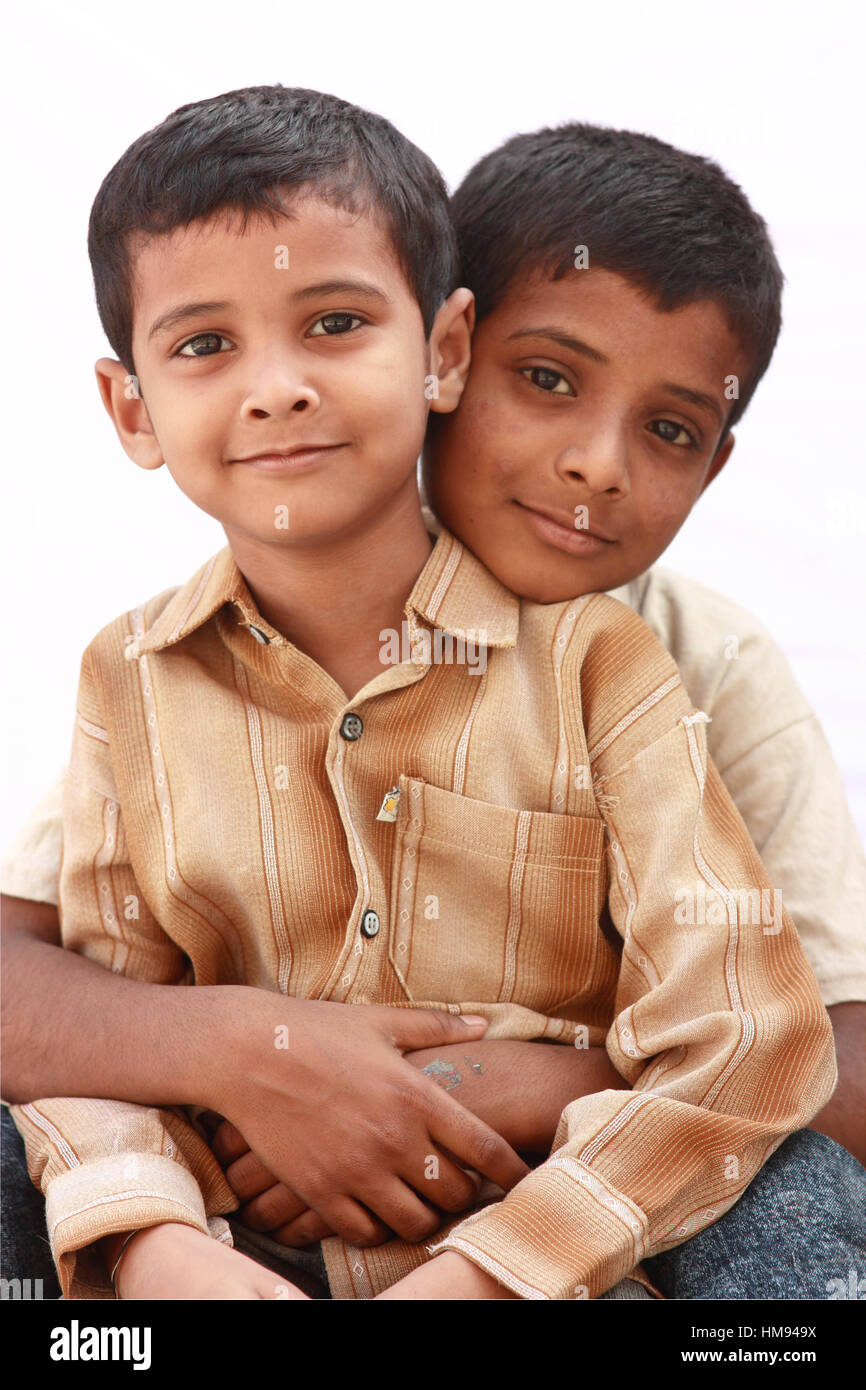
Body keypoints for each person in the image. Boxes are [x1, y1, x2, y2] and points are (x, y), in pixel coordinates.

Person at [0, 88, 850, 1302]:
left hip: (557, 1201)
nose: (592, 466)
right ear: (456, 352)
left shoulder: (643, 664)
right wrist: (224, 1117)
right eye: (546, 378)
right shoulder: (146, 674)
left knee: (797, 1191)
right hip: (236, 1204)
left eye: (664, 428)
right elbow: (55, 983)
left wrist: (492, 1101)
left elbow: (786, 1048)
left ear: (426, 348)